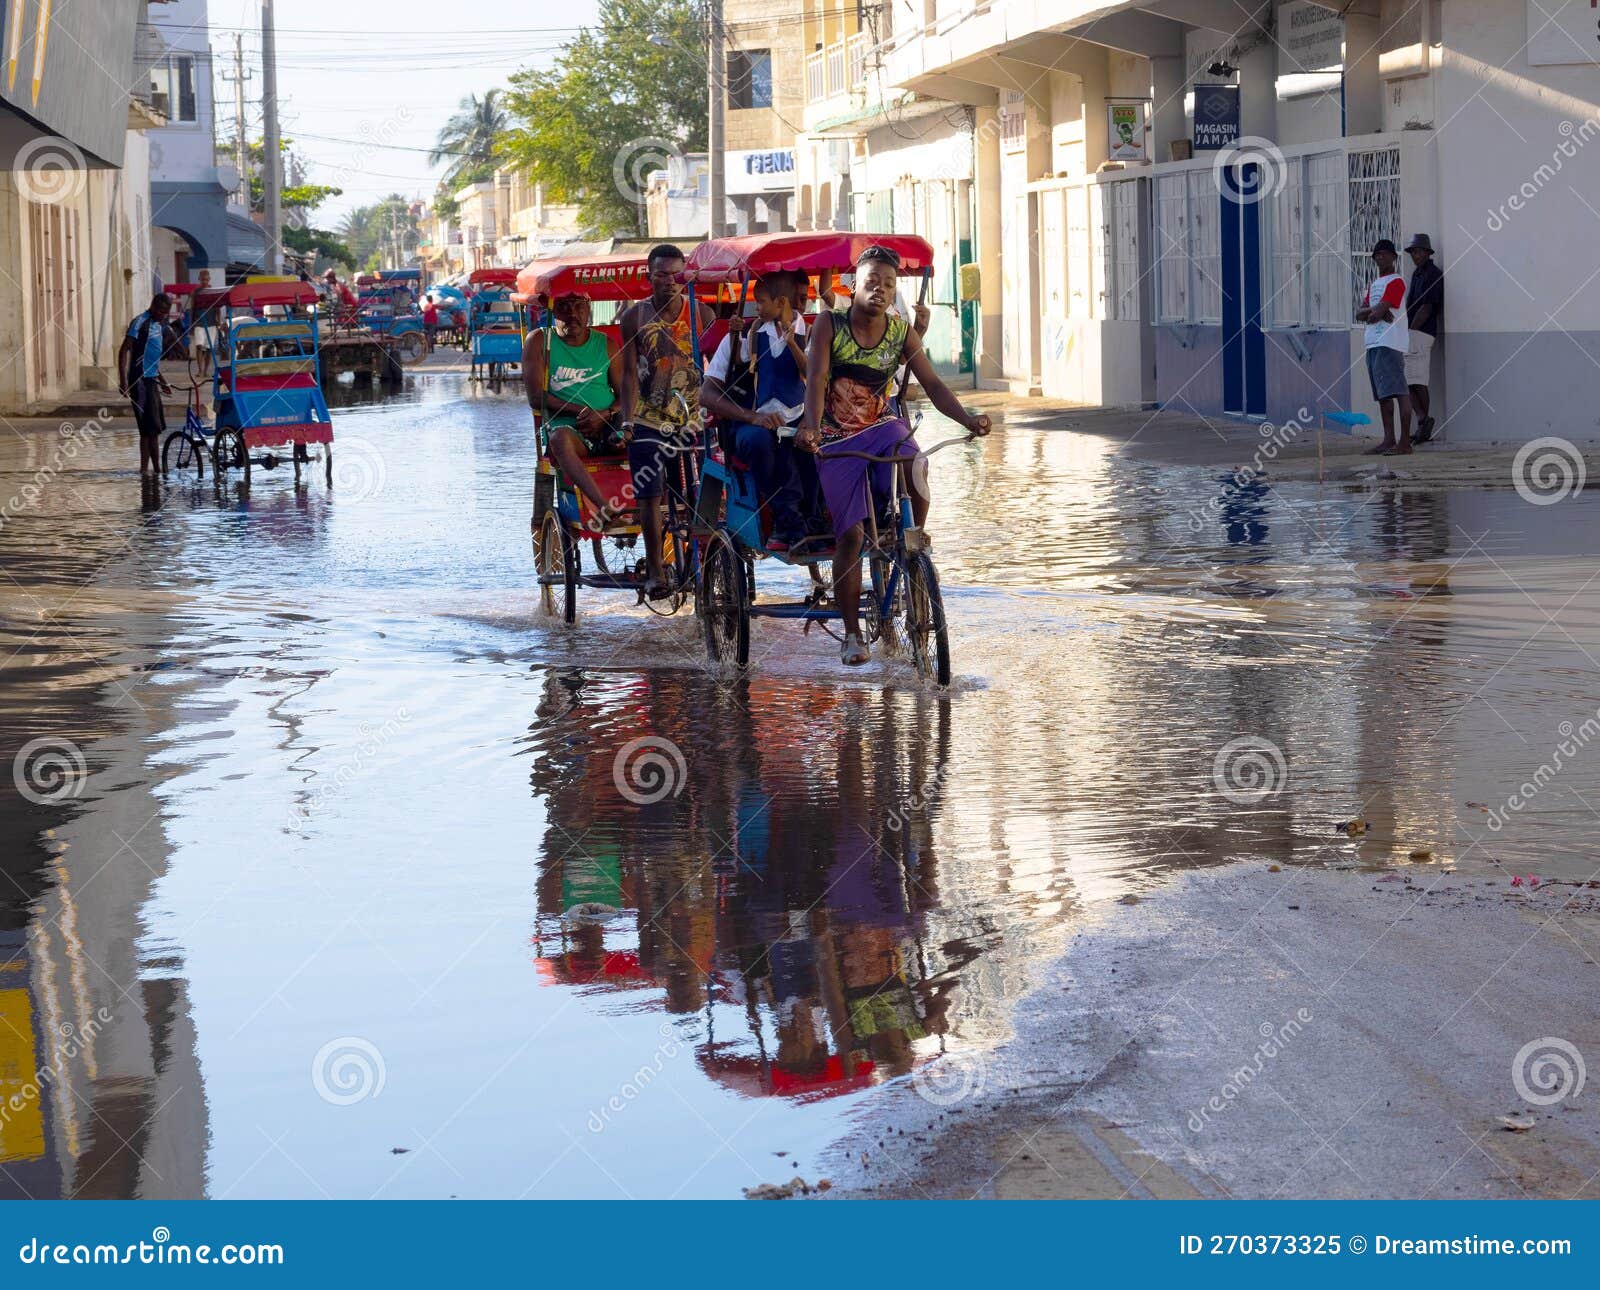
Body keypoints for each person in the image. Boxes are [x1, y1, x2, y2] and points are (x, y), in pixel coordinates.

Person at [797, 244, 991, 667]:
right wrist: (809, 426)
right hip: (835, 438)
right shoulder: (830, 324)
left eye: (888, 284)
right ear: (854, 285)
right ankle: (851, 636)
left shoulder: (902, 331)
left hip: (883, 427)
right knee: (851, 536)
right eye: (872, 282)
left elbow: (935, 385)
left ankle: (912, 545)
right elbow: (815, 382)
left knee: (917, 463)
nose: (880, 290)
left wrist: (968, 419)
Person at [618, 244, 715, 598]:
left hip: (694, 418)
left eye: (677, 275)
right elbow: (628, 375)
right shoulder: (633, 317)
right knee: (650, 493)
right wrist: (627, 422)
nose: (670, 282)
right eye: (662, 275)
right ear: (650, 277)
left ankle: (701, 561)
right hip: (649, 418)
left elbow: (714, 365)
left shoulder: (701, 313)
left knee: (700, 493)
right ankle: (656, 570)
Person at [698, 271, 817, 552]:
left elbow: (815, 378)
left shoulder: (811, 335)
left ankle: (816, 518)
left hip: (799, 417)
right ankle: (788, 520)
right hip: (754, 422)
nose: (756, 308)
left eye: (761, 302)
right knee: (758, 441)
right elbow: (706, 394)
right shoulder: (746, 336)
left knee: (818, 442)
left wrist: (810, 422)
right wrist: (753, 417)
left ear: (780, 302)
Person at [524, 290, 625, 528]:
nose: (572, 314)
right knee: (559, 439)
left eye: (579, 307)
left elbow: (626, 396)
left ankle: (658, 504)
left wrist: (604, 414)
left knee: (653, 433)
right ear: (552, 310)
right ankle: (603, 506)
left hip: (610, 423)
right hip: (569, 426)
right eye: (564, 306)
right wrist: (582, 411)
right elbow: (536, 397)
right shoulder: (539, 341)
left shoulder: (607, 344)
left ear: (588, 309)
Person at [1355, 239, 1412, 456]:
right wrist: (1374, 310)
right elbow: (1360, 314)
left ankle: (1405, 443)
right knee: (1383, 396)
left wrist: (1375, 312)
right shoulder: (1375, 285)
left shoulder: (1396, 282)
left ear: (1393, 257)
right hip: (1373, 343)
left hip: (1390, 342)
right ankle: (1389, 439)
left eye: (1385, 254)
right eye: (1377, 255)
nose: (1380, 258)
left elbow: (1375, 314)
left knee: (1399, 392)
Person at [118, 293, 176, 474]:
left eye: (166, 313)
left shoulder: (159, 325)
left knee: (155, 429)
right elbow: (123, 351)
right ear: (153, 307)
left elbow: (150, 360)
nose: (163, 315)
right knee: (146, 429)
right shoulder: (139, 322)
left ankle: (157, 470)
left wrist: (163, 381)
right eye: (161, 312)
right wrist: (123, 381)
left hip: (151, 381)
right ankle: (146, 470)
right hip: (139, 382)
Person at [1404, 233, 1443, 445]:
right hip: (1411, 331)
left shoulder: (1433, 274)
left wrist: (1411, 330)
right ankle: (1422, 421)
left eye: (1418, 251)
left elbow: (1427, 307)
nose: (1415, 255)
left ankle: (1423, 424)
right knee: (1409, 380)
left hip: (1422, 332)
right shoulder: (1417, 274)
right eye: (1413, 252)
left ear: (1427, 253)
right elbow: (1411, 304)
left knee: (1418, 380)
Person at [190, 269, 214, 381]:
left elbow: (217, 307)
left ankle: (205, 370)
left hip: (211, 322)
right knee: (199, 346)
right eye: (202, 279)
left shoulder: (213, 291)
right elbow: (192, 308)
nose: (204, 281)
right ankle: (200, 370)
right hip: (199, 322)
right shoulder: (196, 292)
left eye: (206, 279)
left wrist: (218, 321)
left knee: (209, 348)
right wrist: (191, 324)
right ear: (199, 279)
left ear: (209, 279)